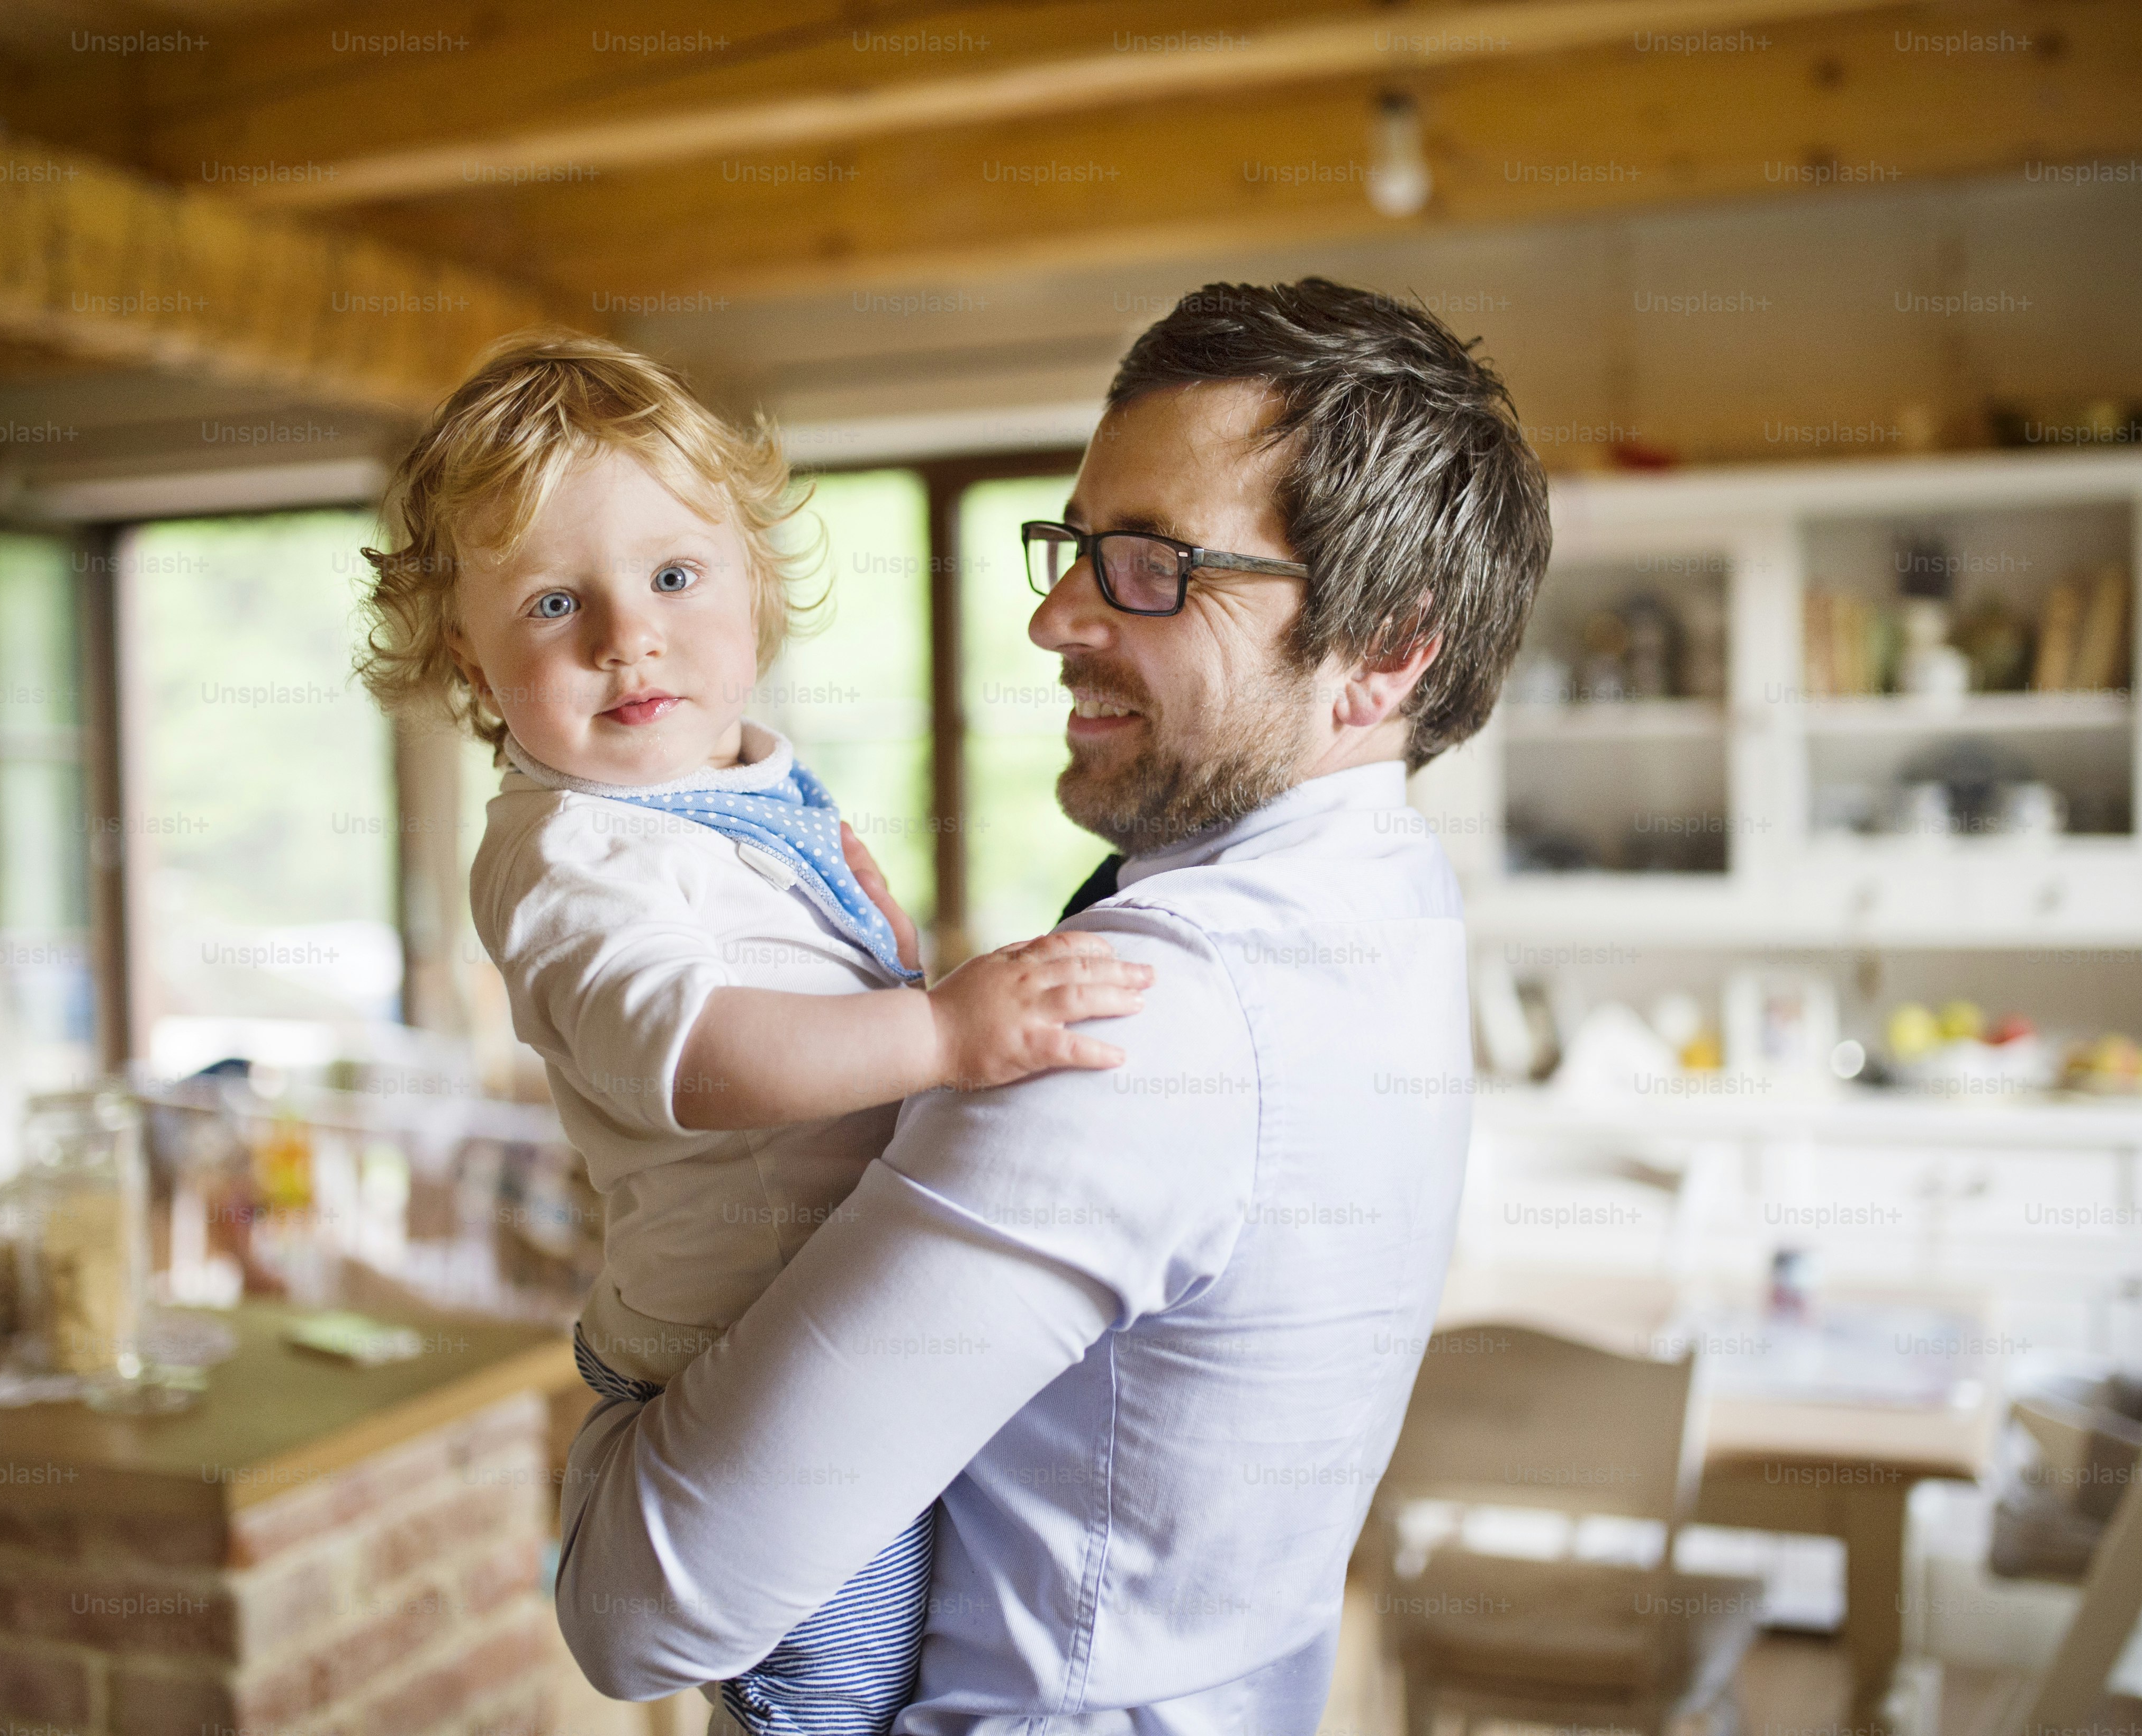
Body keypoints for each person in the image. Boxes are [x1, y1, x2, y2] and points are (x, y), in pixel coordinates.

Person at [554, 278, 1552, 1733]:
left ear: (1390, 651)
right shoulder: (1397, 904)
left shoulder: (1143, 1028)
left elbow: (644, 1606)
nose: (1053, 614)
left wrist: (619, 1392)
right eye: (1078, 544)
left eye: (1152, 562)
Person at [356, 330, 1153, 1736]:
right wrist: (944, 1032)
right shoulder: (569, 857)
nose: (627, 635)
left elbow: (812, 972)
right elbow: (702, 1055)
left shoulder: (743, 784)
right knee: (835, 1675)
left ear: (756, 591)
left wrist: (895, 960)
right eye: (553, 603)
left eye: (673, 575)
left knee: (922, 1624)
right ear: (470, 669)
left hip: (826, 1301)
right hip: (735, 1344)